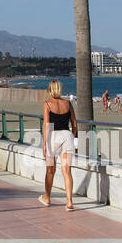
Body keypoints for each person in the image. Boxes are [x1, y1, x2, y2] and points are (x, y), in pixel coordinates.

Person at [39, 80, 77, 210]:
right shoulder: (68, 103)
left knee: (50, 170)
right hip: (67, 136)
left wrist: (44, 143)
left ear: (50, 90)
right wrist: (74, 138)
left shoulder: (47, 104)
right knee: (67, 171)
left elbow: (46, 125)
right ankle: (69, 202)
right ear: (60, 89)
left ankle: (47, 198)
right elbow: (74, 124)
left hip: (52, 137)